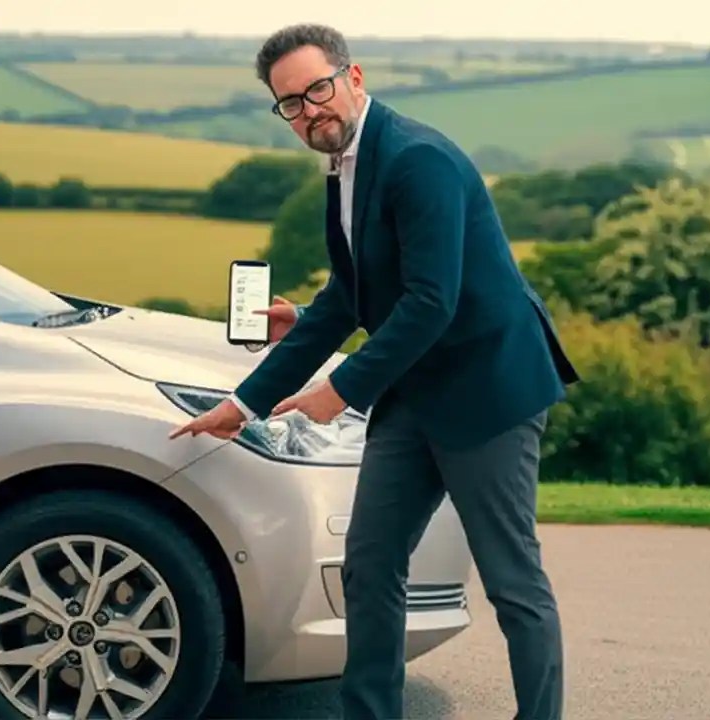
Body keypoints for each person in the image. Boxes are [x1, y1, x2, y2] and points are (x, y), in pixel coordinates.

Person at [170, 23, 579, 720]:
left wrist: (340, 389)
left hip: (487, 392)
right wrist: (243, 405)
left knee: (513, 582)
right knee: (369, 566)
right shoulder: (345, 166)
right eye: (290, 104)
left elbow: (431, 302)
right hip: (416, 391)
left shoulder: (418, 161)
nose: (308, 111)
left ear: (353, 79)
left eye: (317, 90)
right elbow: (348, 297)